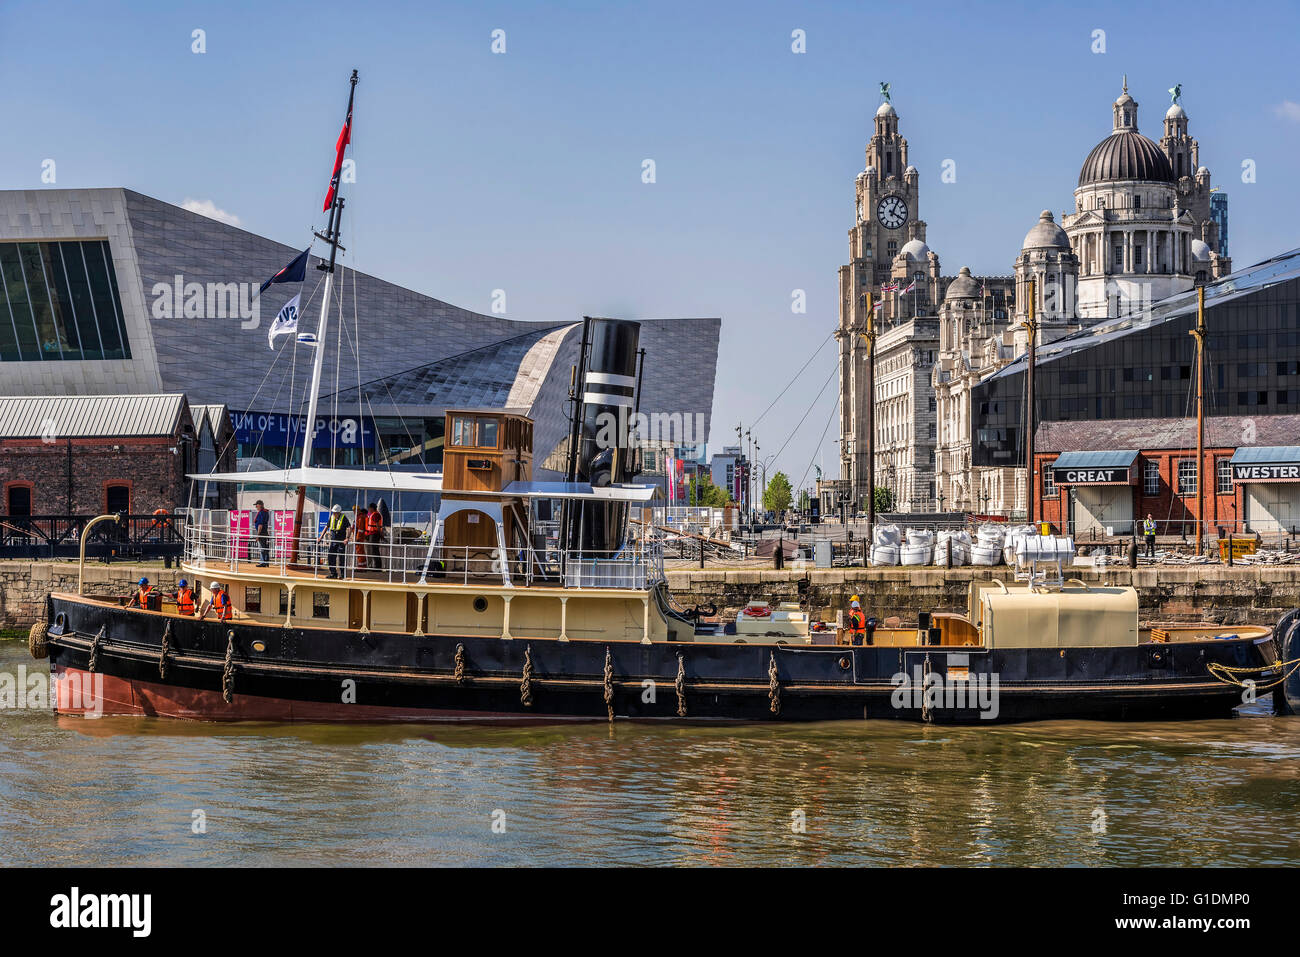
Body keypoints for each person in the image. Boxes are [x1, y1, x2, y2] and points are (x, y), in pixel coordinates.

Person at [318, 504, 352, 579]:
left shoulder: (344, 518)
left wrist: (347, 538)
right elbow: (326, 527)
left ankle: (343, 575)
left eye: (335, 512)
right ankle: (333, 574)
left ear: (339, 512)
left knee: (341, 559)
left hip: (341, 542)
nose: (334, 513)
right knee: (330, 557)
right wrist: (320, 537)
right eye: (333, 512)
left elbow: (349, 528)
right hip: (333, 542)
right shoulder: (332, 518)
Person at [365, 502, 386, 572]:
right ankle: (376, 566)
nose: (368, 509)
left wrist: (381, 534)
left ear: (372, 508)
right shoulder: (374, 514)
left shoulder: (375, 515)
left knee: (375, 550)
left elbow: (377, 525)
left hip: (374, 534)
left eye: (369, 508)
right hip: (373, 534)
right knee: (374, 550)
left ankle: (377, 567)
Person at [252, 500, 271, 567]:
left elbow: (260, 525)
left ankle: (263, 562)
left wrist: (258, 535)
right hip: (265, 532)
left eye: (257, 505)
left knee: (262, 548)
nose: (256, 507)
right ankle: (266, 562)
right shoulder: (266, 512)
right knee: (265, 547)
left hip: (262, 533)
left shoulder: (261, 513)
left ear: (260, 505)